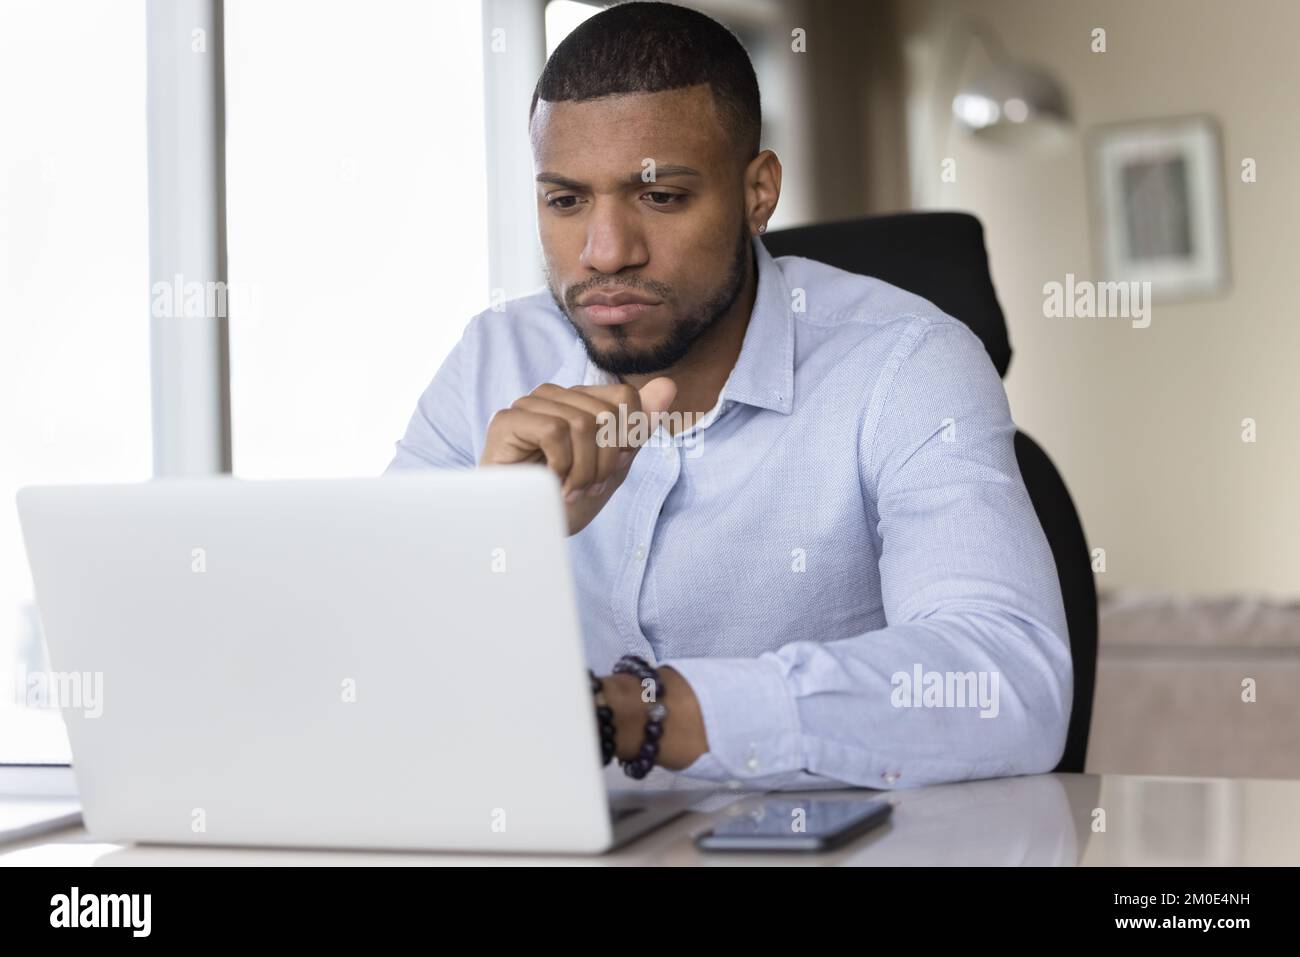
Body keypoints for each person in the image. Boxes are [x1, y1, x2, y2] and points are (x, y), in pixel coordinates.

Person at [387, 1, 1071, 790]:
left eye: (661, 196)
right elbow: (363, 669)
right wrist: (493, 540)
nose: (605, 252)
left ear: (758, 192)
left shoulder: (907, 365)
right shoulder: (489, 361)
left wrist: (638, 712)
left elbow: (1006, 680)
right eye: (566, 201)